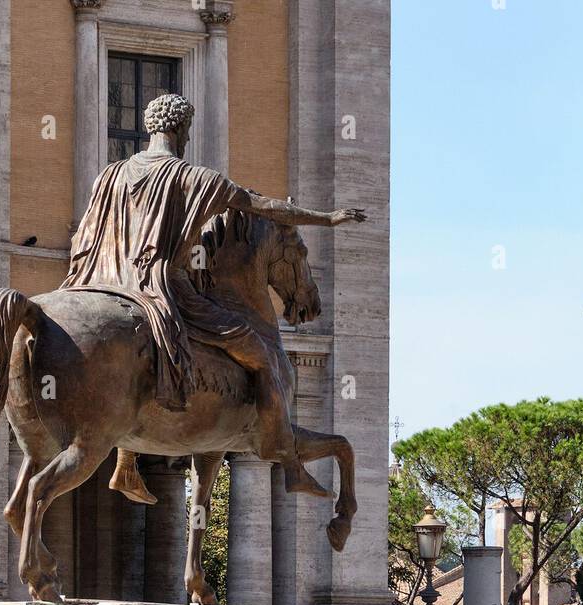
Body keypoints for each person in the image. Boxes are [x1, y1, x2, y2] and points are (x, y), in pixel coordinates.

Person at [62, 91, 364, 500]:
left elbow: (85, 236)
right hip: (163, 285)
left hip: (104, 282)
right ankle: (288, 460)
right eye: (187, 130)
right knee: (259, 354)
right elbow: (263, 207)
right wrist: (326, 218)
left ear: (150, 127)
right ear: (182, 130)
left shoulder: (110, 174)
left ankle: (126, 462)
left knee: (133, 363)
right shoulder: (195, 178)